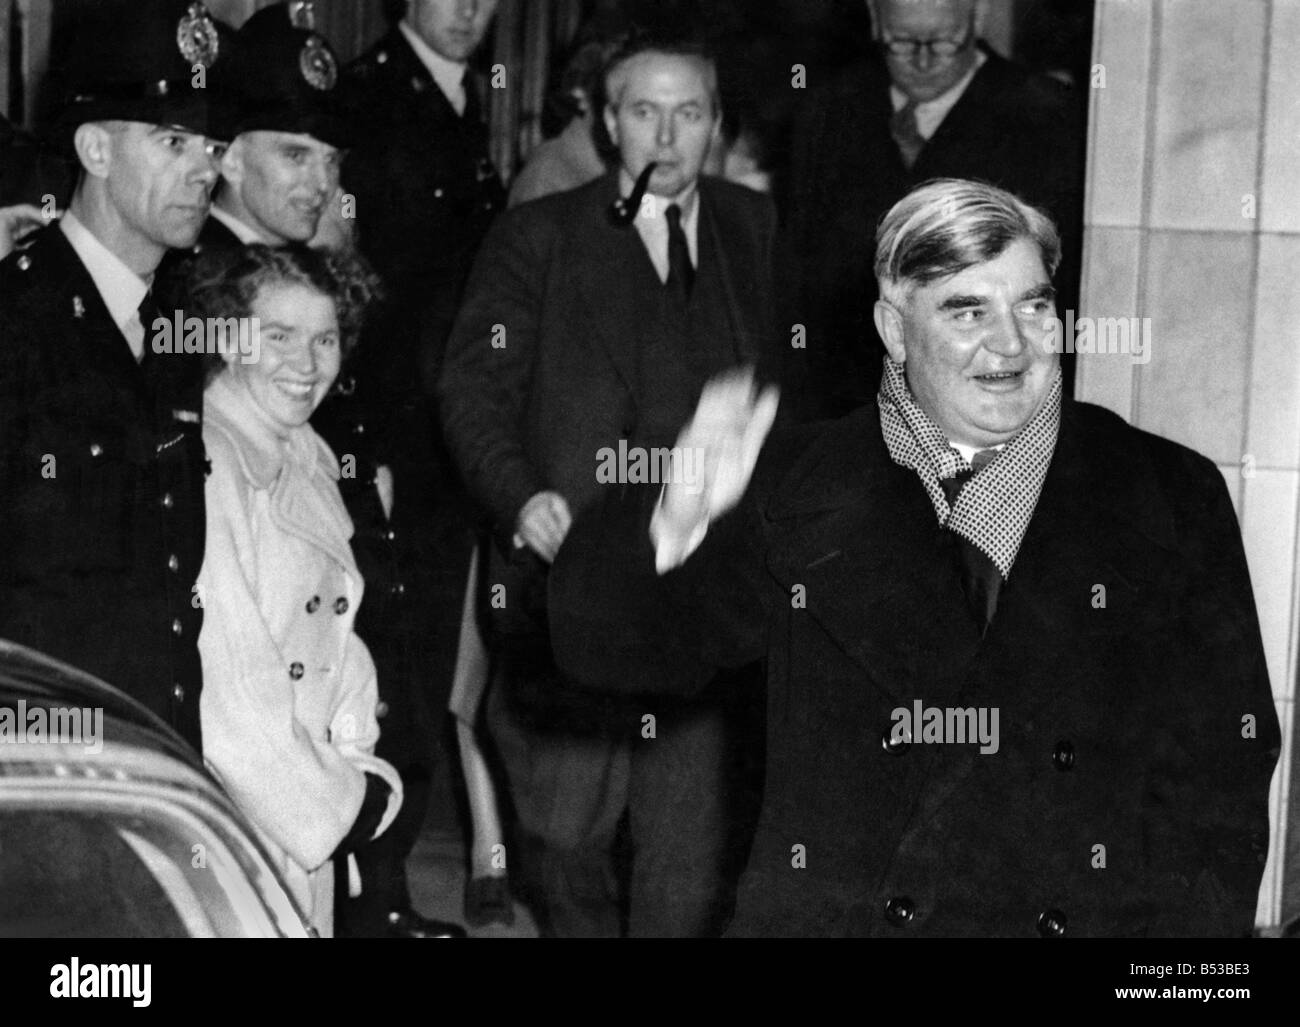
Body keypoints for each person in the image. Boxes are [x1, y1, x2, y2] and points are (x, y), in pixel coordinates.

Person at [549, 178, 1282, 937]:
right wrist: (676, 513)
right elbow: (609, 650)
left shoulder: (1163, 493)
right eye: (968, 311)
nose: (1012, 343)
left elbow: (1221, 779)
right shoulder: (800, 485)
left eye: (1032, 305)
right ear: (894, 330)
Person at [440, 32, 778, 937]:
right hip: (573, 583)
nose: (667, 137)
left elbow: (805, 392)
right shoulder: (537, 237)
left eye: (690, 113)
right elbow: (473, 390)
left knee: (690, 855)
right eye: (642, 112)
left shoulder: (759, 234)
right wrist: (519, 497)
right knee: (562, 837)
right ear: (604, 122)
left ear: (716, 124)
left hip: (707, 603)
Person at [0, 0, 225, 751]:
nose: (205, 170)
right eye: (173, 141)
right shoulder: (16, 322)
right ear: (94, 149)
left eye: (213, 145)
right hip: (39, 780)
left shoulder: (171, 332)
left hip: (158, 763)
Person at [338, 0, 508, 935]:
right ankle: (375, 891)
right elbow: (367, 292)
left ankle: (389, 887)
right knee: (386, 671)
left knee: (428, 659)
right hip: (396, 438)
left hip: (442, 441)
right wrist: (376, 445)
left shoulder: (457, 98)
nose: (468, 9)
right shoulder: (371, 99)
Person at [187, 243, 402, 938]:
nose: (307, 365)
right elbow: (230, 680)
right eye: (278, 336)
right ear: (227, 335)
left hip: (300, 809)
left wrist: (357, 758)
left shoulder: (304, 450)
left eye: (325, 339)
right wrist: (342, 802)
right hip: (242, 810)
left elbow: (337, 635)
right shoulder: (210, 459)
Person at [783, 0, 1084, 419]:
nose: (923, 62)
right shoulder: (828, 108)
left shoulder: (1048, 116)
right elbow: (800, 272)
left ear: (977, 19)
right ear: (874, 19)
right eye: (903, 43)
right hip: (847, 407)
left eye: (944, 43)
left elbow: (1060, 289)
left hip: (987, 403)